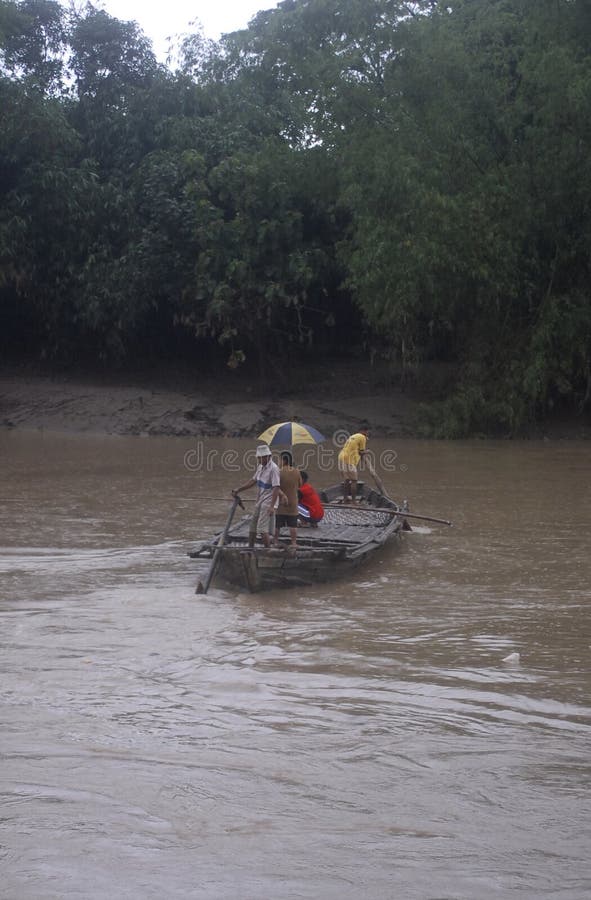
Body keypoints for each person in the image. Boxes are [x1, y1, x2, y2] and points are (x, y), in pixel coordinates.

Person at [232, 444, 281, 548]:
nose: (259, 459)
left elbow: (276, 488)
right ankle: (250, 548)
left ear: (268, 456)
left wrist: (272, 506)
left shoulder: (274, 469)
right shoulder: (260, 467)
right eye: (258, 457)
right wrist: (239, 489)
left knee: (262, 529)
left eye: (261, 457)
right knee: (253, 526)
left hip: (268, 501)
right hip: (260, 500)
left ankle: (268, 551)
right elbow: (253, 481)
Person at [274, 450, 302, 554]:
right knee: (293, 525)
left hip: (281, 503)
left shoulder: (278, 472)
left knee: (277, 525)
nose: (278, 461)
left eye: (279, 459)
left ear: (284, 460)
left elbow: (275, 486)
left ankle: (275, 541)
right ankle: (294, 542)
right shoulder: (297, 471)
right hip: (293, 502)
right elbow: (300, 484)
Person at [337, 426, 369, 502]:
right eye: (367, 432)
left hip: (341, 457)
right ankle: (354, 502)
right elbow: (361, 452)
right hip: (349, 459)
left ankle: (345, 498)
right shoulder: (362, 437)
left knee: (347, 480)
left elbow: (355, 447)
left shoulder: (353, 436)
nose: (368, 434)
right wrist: (367, 451)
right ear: (364, 431)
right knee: (354, 481)